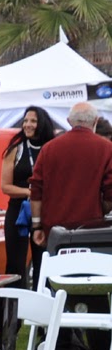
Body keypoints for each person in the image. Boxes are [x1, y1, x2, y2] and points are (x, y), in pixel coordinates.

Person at [29, 99, 112, 263]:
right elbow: (110, 191)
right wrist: (101, 209)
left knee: (56, 278)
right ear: (95, 121)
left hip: (55, 230)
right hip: (92, 229)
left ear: (69, 122)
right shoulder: (107, 148)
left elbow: (36, 189)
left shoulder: (49, 148)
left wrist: (37, 226)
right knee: (88, 277)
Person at [0, 105, 58, 286]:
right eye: (25, 120)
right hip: (18, 210)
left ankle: (42, 307)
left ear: (42, 123)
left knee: (44, 262)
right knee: (15, 264)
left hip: (45, 211)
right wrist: (29, 192)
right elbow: (5, 186)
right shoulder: (15, 149)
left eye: (33, 120)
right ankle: (14, 310)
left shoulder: (52, 148)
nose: (27, 125)